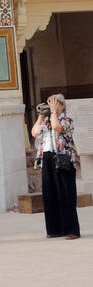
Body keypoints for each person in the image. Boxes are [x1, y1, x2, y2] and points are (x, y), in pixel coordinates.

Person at [31, 95, 80, 239]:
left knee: (67, 194)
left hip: (63, 158)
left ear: (63, 106)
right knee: (49, 195)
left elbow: (57, 127)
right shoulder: (46, 121)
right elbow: (35, 133)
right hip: (47, 159)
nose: (52, 106)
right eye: (50, 103)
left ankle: (72, 230)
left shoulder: (66, 120)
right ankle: (55, 229)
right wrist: (41, 116)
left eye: (55, 103)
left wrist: (53, 113)